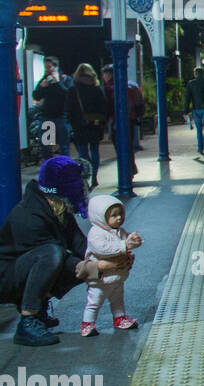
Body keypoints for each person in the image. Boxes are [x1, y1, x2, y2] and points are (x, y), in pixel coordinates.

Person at [0, 156, 130, 346]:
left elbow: (81, 246)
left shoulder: (56, 207)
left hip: (24, 270)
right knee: (53, 255)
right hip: (6, 279)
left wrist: (117, 255)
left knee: (70, 260)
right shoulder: (30, 215)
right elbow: (63, 259)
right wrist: (103, 266)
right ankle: (27, 320)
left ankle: (40, 307)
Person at [80, 194, 143, 336]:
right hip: (100, 279)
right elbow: (103, 248)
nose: (119, 218)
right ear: (100, 217)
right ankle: (88, 324)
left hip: (117, 276)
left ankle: (119, 317)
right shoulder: (95, 233)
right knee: (94, 302)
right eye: (113, 215)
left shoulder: (120, 231)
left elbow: (126, 241)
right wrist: (124, 245)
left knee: (118, 299)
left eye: (120, 214)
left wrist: (132, 240)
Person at [66, 64, 108, 189]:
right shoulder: (97, 89)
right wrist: (102, 122)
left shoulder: (73, 90)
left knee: (83, 152)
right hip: (95, 124)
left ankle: (85, 177)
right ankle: (94, 176)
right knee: (95, 150)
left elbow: (68, 109)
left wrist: (73, 123)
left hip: (79, 125)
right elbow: (104, 107)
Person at [101, 66, 139, 177]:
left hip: (117, 121)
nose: (103, 77)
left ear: (109, 75)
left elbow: (107, 107)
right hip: (131, 119)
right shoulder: (130, 85)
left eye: (104, 74)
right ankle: (131, 168)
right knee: (129, 146)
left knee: (120, 147)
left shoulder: (109, 88)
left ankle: (127, 172)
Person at [32, 55, 74, 156]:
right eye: (45, 67)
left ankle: (64, 166)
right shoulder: (45, 80)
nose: (47, 70)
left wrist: (58, 82)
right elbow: (37, 96)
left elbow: (68, 95)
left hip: (61, 117)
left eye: (49, 67)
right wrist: (42, 87)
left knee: (63, 145)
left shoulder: (65, 79)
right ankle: (50, 165)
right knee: (46, 145)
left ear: (56, 67)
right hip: (47, 116)